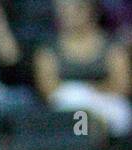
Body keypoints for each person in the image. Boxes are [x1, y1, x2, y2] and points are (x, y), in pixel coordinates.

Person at [35, 0, 132, 137]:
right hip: (69, 103)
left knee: (121, 111)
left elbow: (122, 85)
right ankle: (85, 140)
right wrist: (81, 94)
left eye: (76, 9)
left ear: (91, 11)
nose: (68, 14)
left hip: (105, 101)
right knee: (69, 99)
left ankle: (100, 141)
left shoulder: (112, 46)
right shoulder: (48, 49)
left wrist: (90, 92)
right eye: (63, 9)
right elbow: (48, 90)